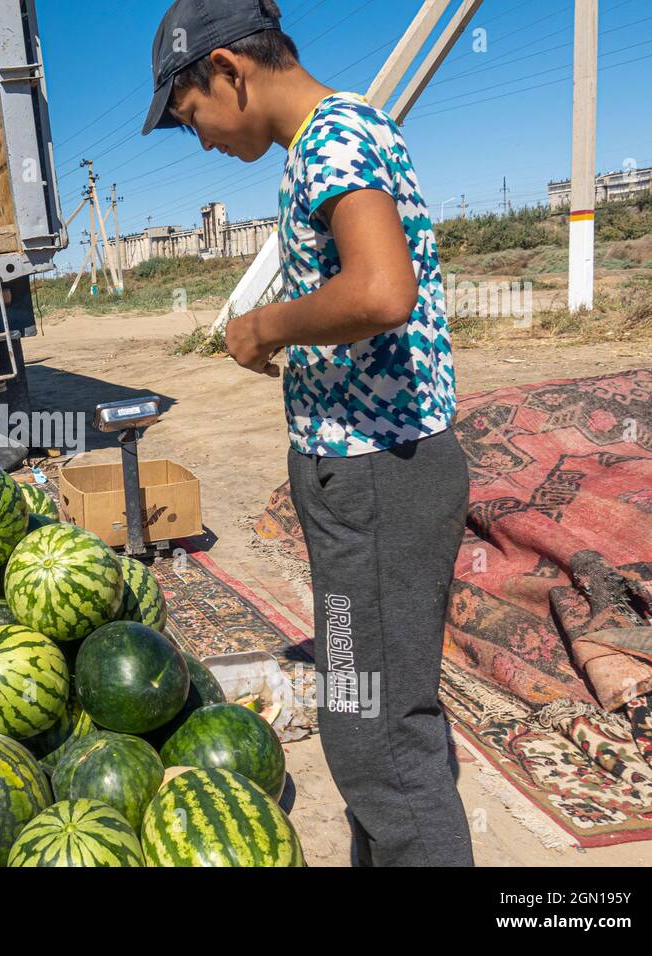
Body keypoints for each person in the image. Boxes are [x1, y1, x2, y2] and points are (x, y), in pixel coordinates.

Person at [142, 0, 472, 866]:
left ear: (228, 71)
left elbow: (380, 289)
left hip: (375, 479)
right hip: (364, 482)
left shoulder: (332, 138)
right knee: (370, 718)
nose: (204, 141)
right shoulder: (335, 137)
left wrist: (267, 327)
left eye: (193, 118)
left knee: (376, 741)